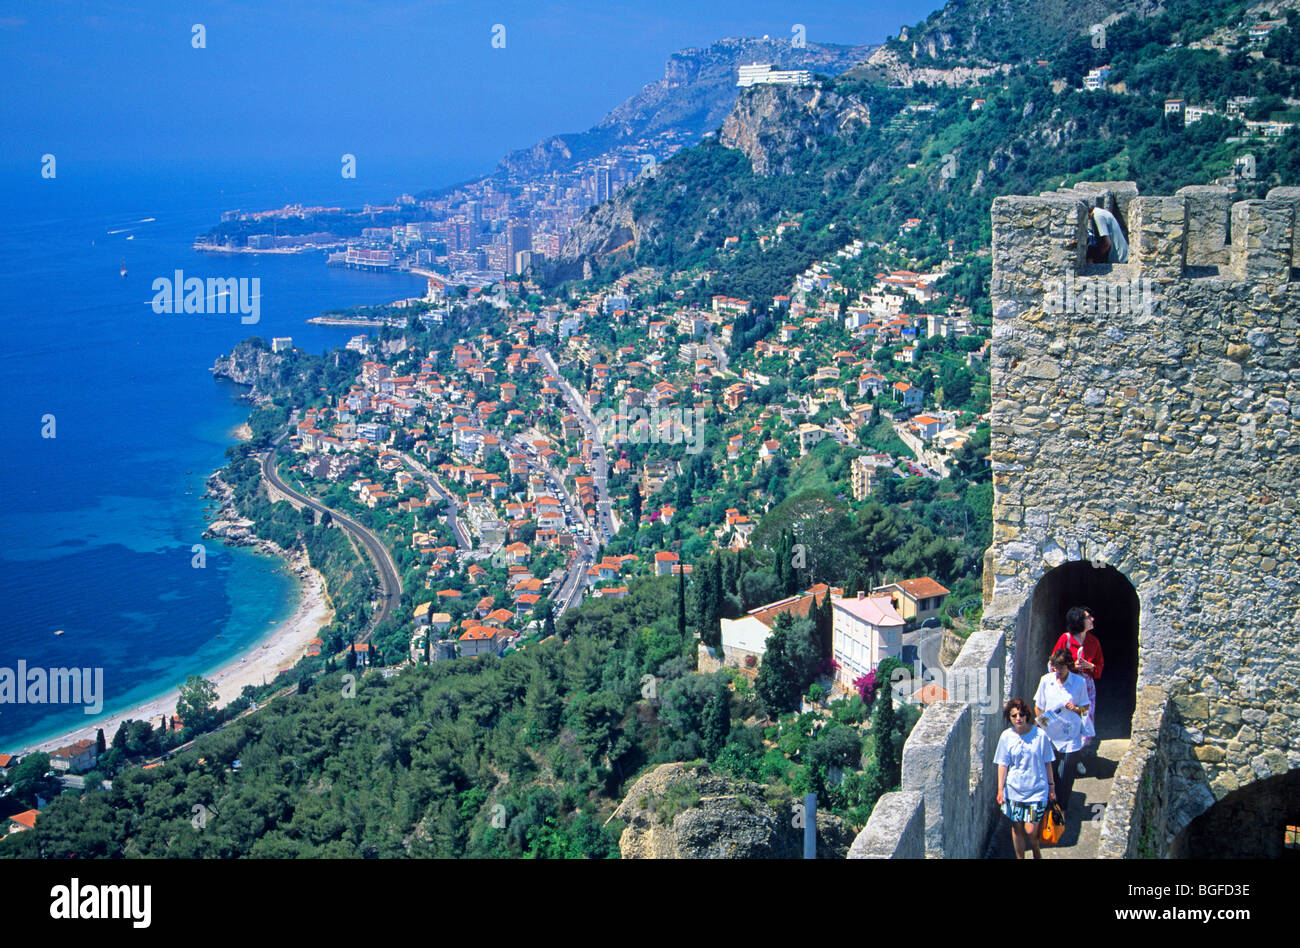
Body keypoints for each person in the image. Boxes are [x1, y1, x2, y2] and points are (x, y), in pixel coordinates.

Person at [995, 697, 1056, 859]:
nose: (1018, 718)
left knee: (1030, 830)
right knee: (1017, 829)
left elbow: (1048, 762)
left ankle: (1035, 849)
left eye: (1021, 715)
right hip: (1014, 790)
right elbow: (1002, 763)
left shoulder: (1040, 735)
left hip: (1036, 790)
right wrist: (1000, 789)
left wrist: (1052, 787)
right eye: (1014, 716)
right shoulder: (1006, 737)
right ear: (1009, 718)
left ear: (1027, 715)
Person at [1035, 649, 1090, 814]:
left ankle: (1061, 810)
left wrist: (1075, 708)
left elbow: (1085, 708)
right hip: (1050, 734)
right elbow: (1039, 706)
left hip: (1069, 734)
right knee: (1049, 773)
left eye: (1061, 668)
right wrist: (1042, 723)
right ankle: (1049, 808)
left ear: (1069, 666)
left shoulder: (1079, 683)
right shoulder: (1046, 680)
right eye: (1055, 668)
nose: (1057, 672)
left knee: (1066, 775)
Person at [1054, 606, 1103, 754]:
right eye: (1088, 617)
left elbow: (1099, 666)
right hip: (1067, 685)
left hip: (1086, 688)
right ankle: (1060, 755)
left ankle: (1077, 756)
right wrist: (1071, 666)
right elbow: (1053, 662)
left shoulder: (1094, 642)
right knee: (1062, 715)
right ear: (1079, 621)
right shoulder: (1066, 639)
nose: (1092, 619)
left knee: (1084, 717)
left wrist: (1091, 666)